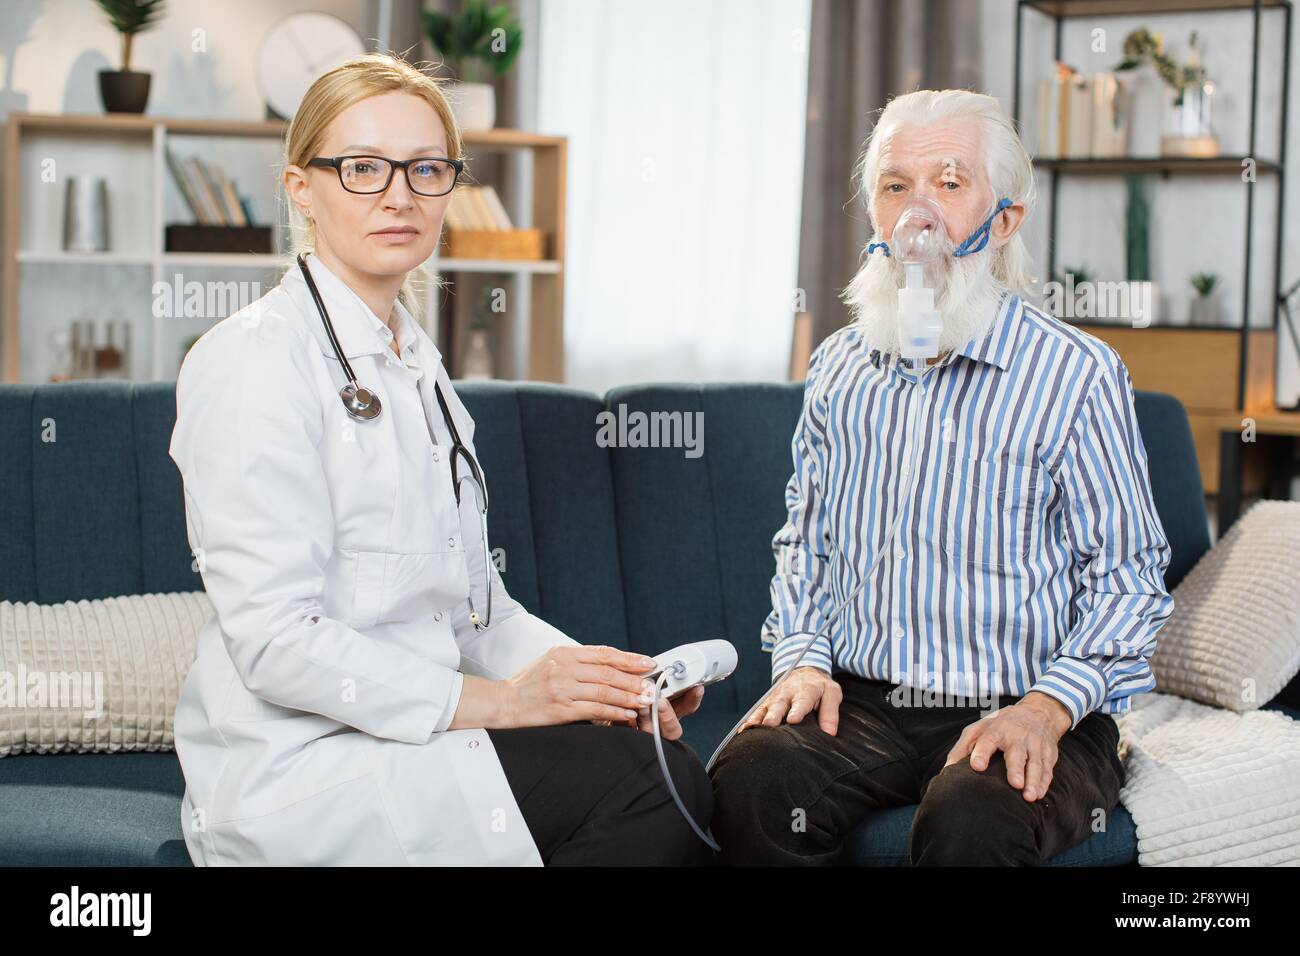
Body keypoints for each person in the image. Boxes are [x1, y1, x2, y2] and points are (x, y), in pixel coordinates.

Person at [169, 53, 711, 866]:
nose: (399, 195)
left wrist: (602, 684)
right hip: (302, 766)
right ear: (300, 187)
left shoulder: (417, 366)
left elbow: (473, 614)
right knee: (638, 788)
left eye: (426, 169)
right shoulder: (250, 361)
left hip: (412, 733)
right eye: (363, 168)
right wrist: (503, 703)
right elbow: (277, 641)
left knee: (658, 767)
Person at [709, 89, 1174, 866]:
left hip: (1027, 698)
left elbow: (1129, 577)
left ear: (1006, 221)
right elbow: (805, 541)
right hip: (863, 699)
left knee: (971, 817)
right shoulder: (838, 368)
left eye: (950, 184)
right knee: (750, 778)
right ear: (872, 217)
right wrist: (801, 658)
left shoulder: (1078, 375)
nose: (916, 215)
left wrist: (1046, 708)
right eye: (896, 187)